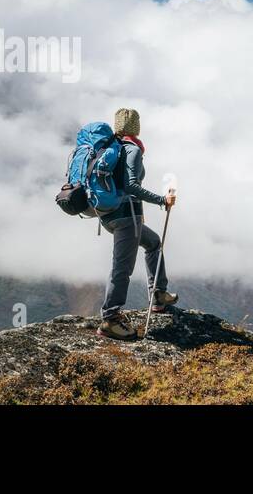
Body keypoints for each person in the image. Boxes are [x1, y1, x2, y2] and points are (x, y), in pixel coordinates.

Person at [97, 108, 179, 340]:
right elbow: (131, 185)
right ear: (136, 127)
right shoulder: (131, 149)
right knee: (122, 269)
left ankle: (159, 294)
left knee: (153, 243)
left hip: (109, 215)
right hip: (126, 218)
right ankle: (110, 319)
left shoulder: (110, 148)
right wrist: (162, 200)